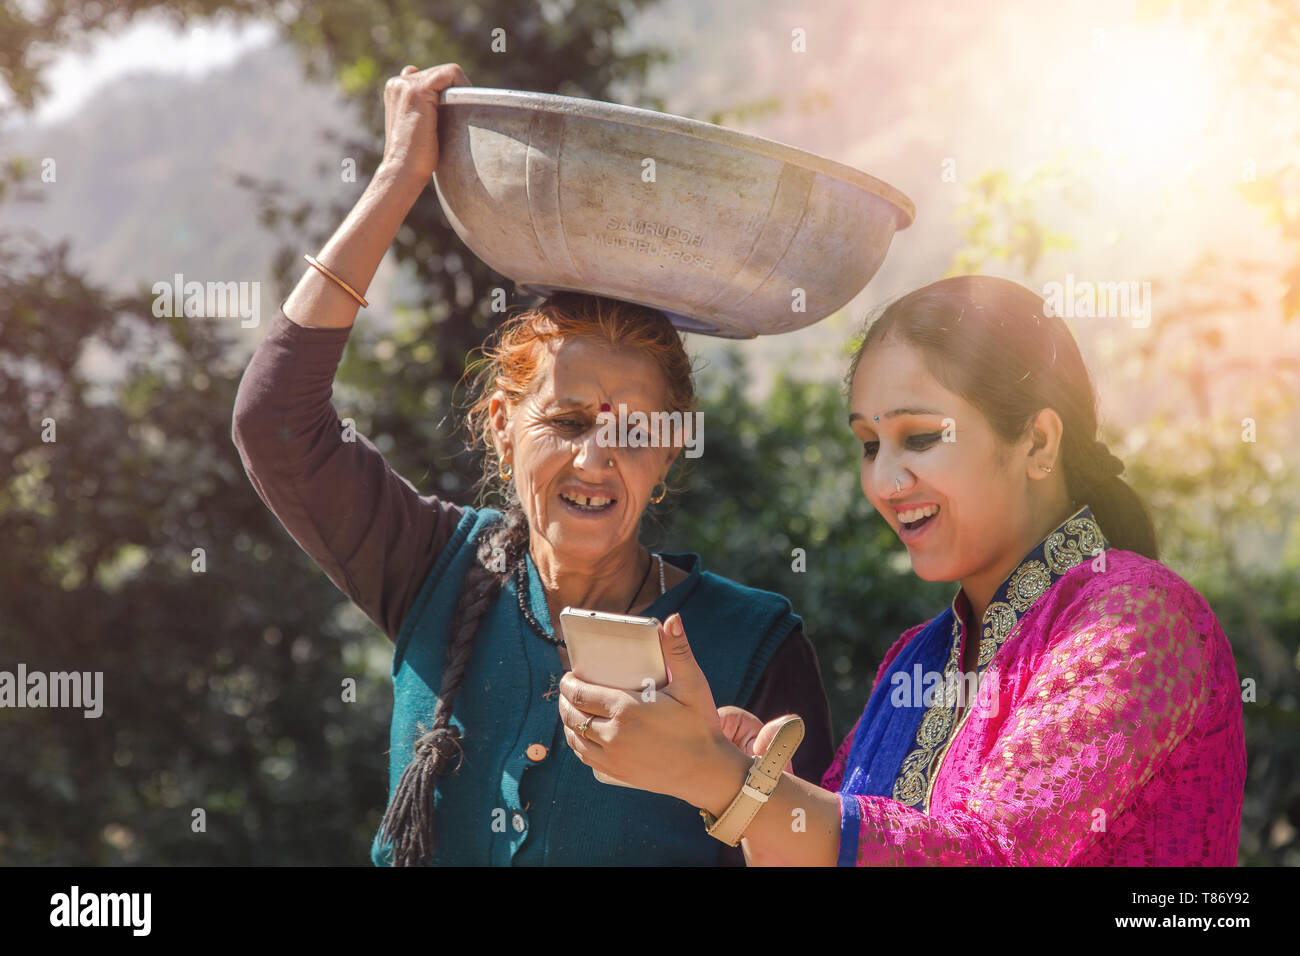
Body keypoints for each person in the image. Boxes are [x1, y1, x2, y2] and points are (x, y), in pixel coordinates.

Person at [229, 63, 834, 866]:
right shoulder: (429, 566)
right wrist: (397, 179)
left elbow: (818, 846)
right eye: (567, 420)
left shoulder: (753, 642)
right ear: (502, 429)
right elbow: (275, 422)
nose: (596, 458)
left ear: (670, 451)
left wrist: (734, 783)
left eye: (634, 430)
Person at [558, 275, 1248, 865]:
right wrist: (736, 760)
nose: (886, 482)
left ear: (1037, 441)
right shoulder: (916, 660)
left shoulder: (1136, 617)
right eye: (868, 444)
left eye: (920, 437)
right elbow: (836, 832)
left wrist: (726, 783)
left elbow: (989, 856)